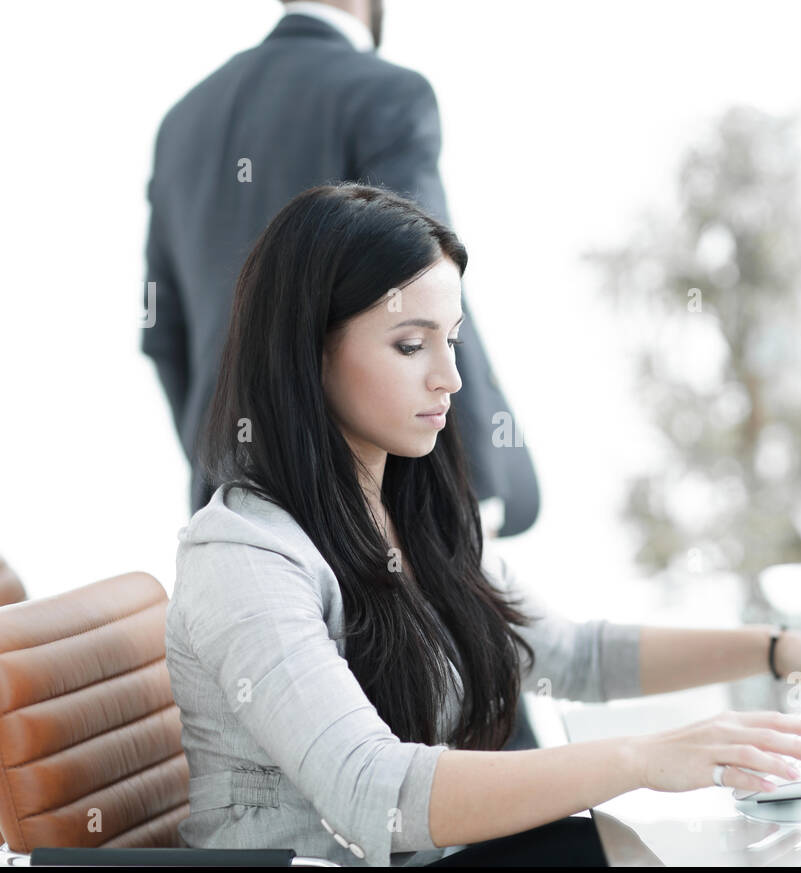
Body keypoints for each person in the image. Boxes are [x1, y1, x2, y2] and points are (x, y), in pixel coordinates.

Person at [163, 183, 801, 867]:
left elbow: (568, 653)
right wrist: (640, 758)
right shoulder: (244, 557)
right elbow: (376, 789)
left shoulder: (404, 512)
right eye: (410, 345)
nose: (451, 378)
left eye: (451, 340)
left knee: (677, 843)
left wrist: (776, 648)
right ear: (309, 354)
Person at [140, 0, 540, 534]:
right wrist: (476, 482)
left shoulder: (182, 122)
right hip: (371, 496)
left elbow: (162, 335)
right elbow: (426, 290)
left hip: (228, 493)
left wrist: (219, 458)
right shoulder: (385, 93)